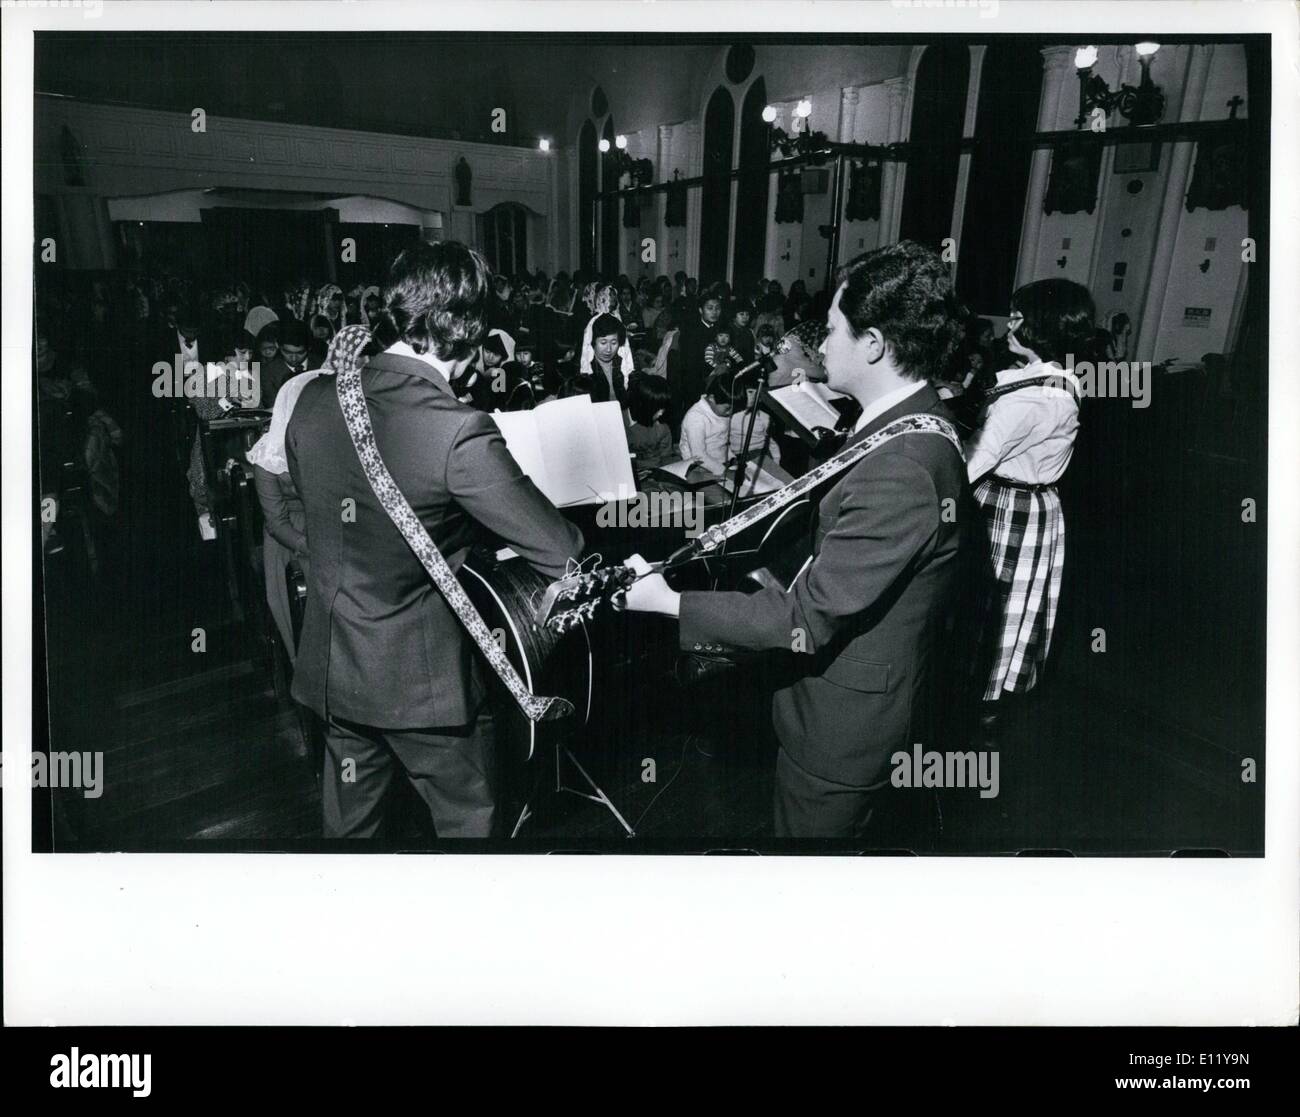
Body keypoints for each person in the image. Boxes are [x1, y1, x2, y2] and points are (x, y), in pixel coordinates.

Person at [622, 241, 968, 839]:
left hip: (843, 728)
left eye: (832, 330)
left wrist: (667, 601)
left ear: (875, 344)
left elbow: (804, 618)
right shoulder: (909, 419)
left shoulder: (903, 468)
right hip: (843, 702)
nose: (819, 343)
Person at [285, 241, 584, 839]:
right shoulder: (458, 430)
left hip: (333, 667)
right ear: (469, 332)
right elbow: (563, 551)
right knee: (470, 832)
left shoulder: (312, 400)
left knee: (350, 836)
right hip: (422, 688)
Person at [965, 278, 1091, 723]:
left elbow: (970, 466)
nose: (1009, 324)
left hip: (1006, 507)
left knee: (990, 606)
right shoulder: (1057, 380)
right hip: (1036, 506)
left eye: (1019, 317)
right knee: (1013, 607)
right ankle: (990, 697)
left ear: (1042, 326)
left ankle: (976, 699)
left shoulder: (1033, 399)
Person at [678, 370, 735, 476]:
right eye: (728, 408)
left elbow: (722, 441)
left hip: (720, 461)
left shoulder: (721, 410)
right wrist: (725, 472)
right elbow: (699, 455)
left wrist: (732, 458)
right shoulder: (696, 418)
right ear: (712, 398)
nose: (731, 412)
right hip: (697, 465)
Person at [625, 373, 675, 470]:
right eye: (657, 408)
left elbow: (666, 457)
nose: (661, 413)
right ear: (642, 405)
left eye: (664, 407)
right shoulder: (619, 422)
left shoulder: (662, 427)